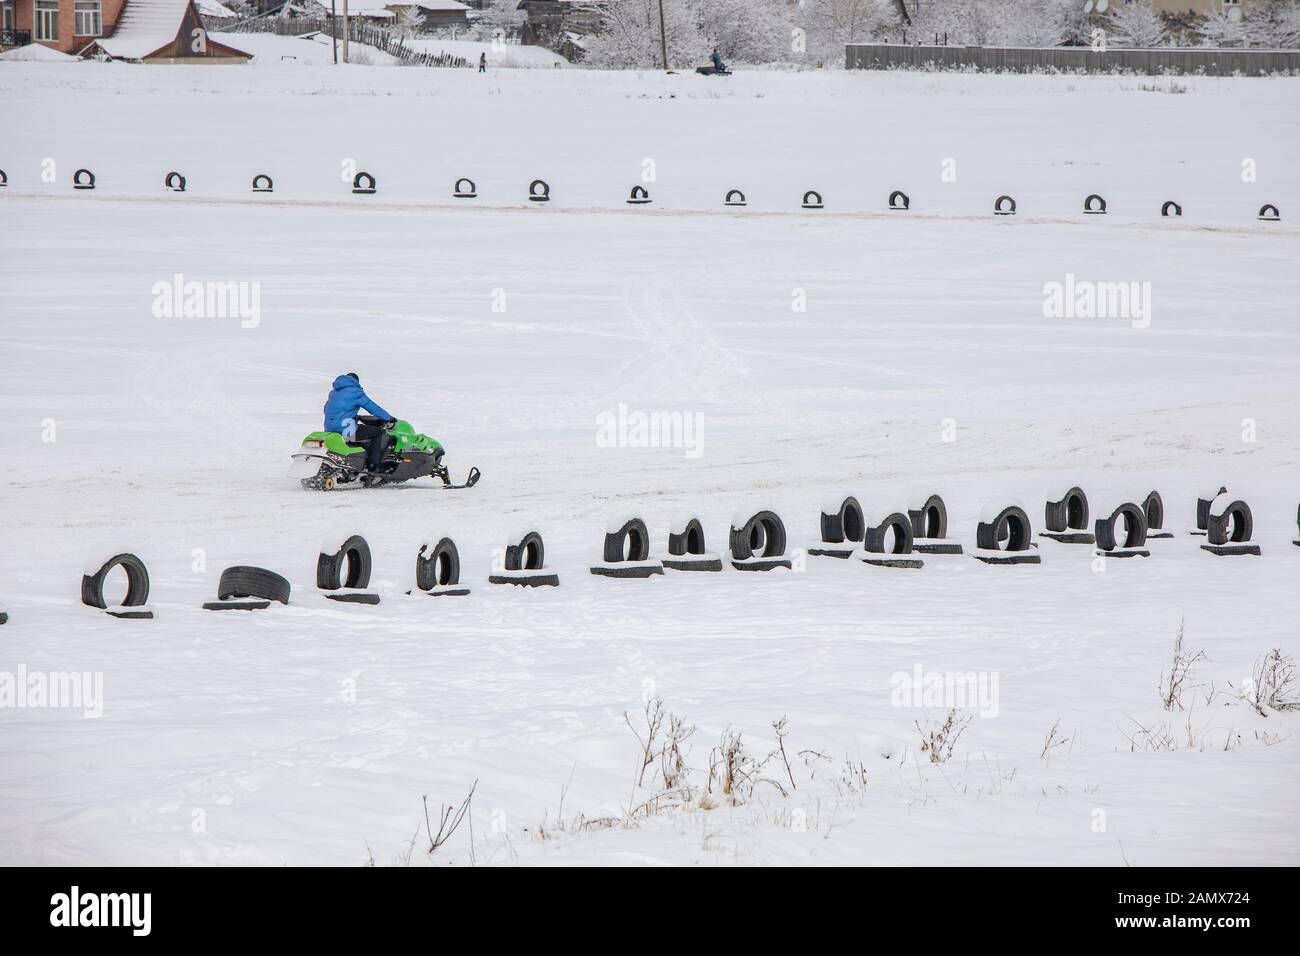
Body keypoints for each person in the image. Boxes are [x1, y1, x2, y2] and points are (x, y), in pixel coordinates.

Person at [323, 372, 395, 472]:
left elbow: (326, 409)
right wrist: (388, 418)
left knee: (360, 431)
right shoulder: (356, 392)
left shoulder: (334, 392)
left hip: (329, 429)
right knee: (379, 433)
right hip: (345, 429)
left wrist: (354, 416)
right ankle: (373, 465)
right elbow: (372, 407)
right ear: (355, 381)